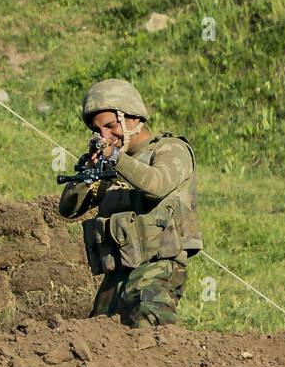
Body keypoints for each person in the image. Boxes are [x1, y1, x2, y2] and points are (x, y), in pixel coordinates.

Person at [57, 78, 203, 327]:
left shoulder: (169, 149)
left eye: (111, 126)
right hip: (116, 274)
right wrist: (89, 172)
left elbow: (156, 185)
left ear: (132, 118)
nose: (105, 136)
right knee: (99, 337)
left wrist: (114, 158)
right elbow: (68, 209)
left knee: (146, 329)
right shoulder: (114, 164)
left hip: (156, 268)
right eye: (97, 130)